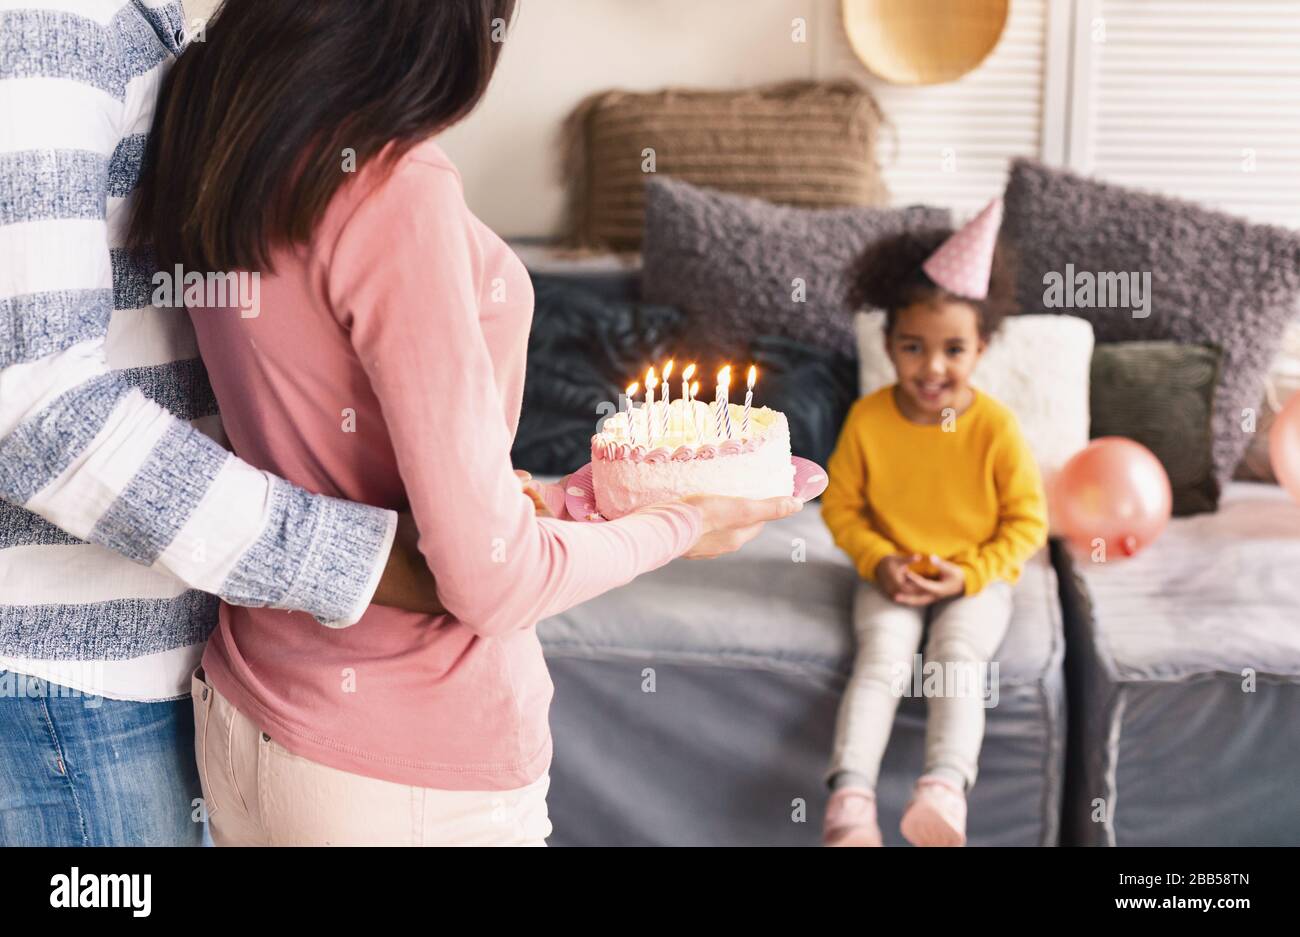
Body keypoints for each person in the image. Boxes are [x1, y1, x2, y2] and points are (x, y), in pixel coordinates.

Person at [128, 0, 801, 846]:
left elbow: (319, 430)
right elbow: (491, 583)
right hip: (409, 761)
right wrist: (683, 522)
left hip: (248, 714)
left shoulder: (220, 123)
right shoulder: (392, 182)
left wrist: (532, 502)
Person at [819, 202, 1048, 847]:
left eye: (953, 350)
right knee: (883, 658)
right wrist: (878, 561)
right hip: (890, 574)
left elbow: (1027, 523)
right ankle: (850, 800)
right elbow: (841, 507)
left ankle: (944, 789)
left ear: (981, 347)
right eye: (913, 348)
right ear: (888, 344)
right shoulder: (868, 420)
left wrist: (969, 572)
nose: (932, 368)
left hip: (972, 578)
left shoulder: (995, 428)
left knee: (957, 658)